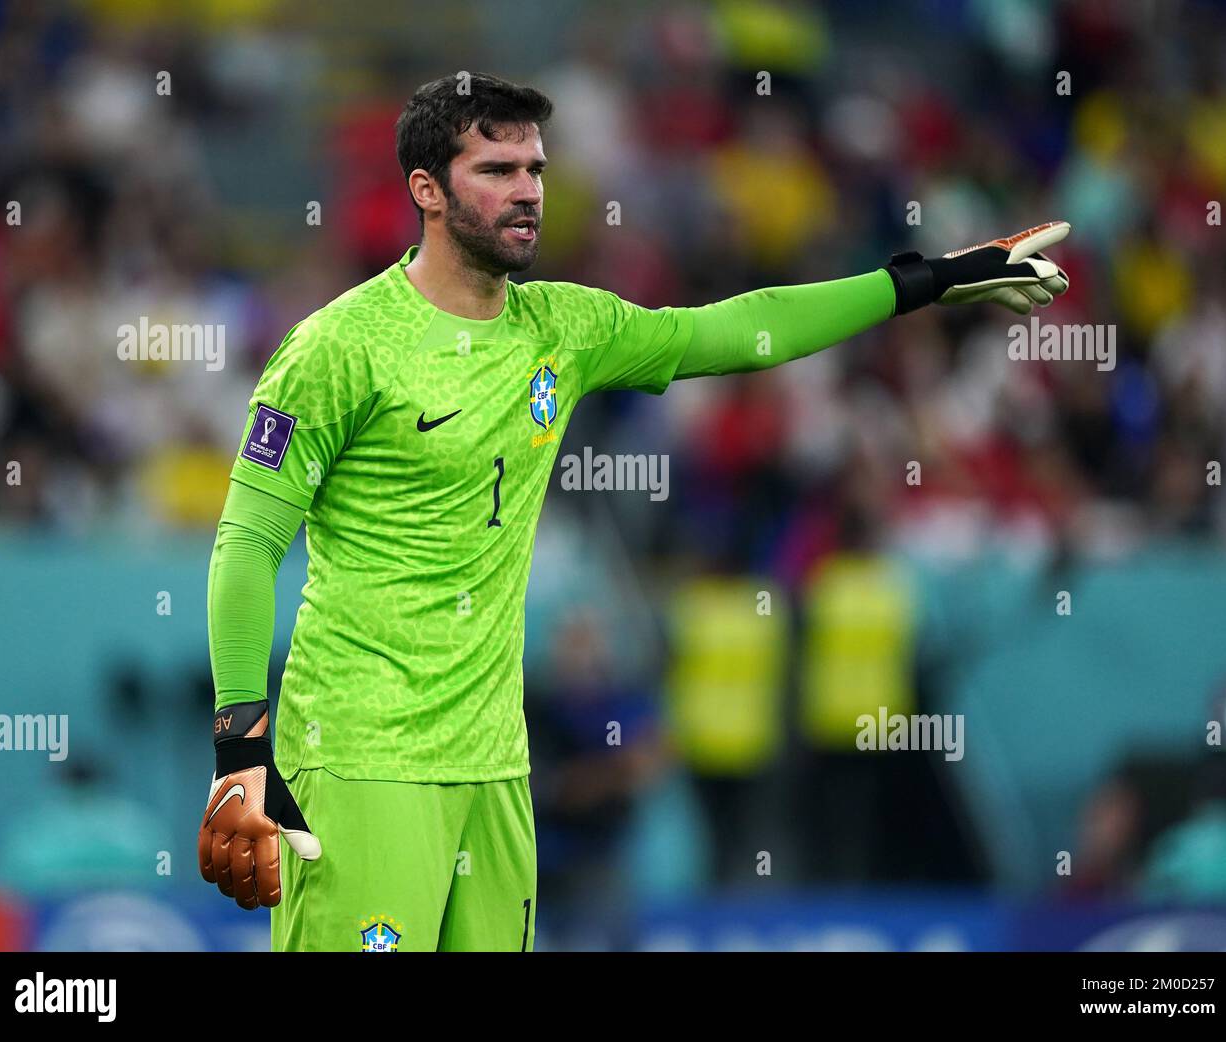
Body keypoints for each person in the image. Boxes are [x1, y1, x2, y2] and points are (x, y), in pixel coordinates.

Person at [196, 72, 1070, 951]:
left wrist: (924, 281)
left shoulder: (564, 331)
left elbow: (739, 330)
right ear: (426, 189)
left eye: (535, 169)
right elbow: (245, 546)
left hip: (494, 767)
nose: (530, 191)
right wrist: (242, 752)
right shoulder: (338, 349)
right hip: (359, 759)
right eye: (497, 170)